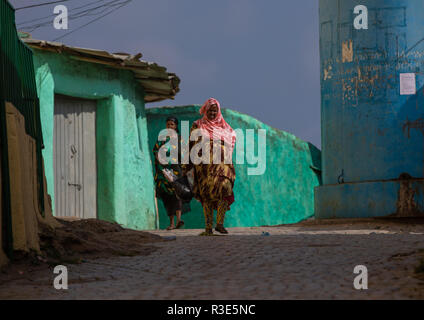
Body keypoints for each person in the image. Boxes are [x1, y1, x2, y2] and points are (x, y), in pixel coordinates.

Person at [183, 98, 236, 236]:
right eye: (210, 110)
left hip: (223, 165)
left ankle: (220, 224)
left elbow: (232, 139)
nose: (212, 113)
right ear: (205, 111)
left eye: (215, 110)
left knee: (225, 189)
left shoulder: (225, 127)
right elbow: (191, 143)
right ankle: (208, 227)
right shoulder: (198, 125)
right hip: (204, 167)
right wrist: (187, 164)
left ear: (218, 111)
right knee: (206, 195)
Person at [153, 117, 186, 230]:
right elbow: (156, 152)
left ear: (175, 126)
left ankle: (179, 220)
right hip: (163, 172)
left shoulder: (180, 139)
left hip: (177, 171)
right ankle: (172, 223)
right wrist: (162, 166)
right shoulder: (161, 139)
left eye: (172, 124)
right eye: (168, 124)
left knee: (178, 195)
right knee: (168, 197)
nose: (169, 127)